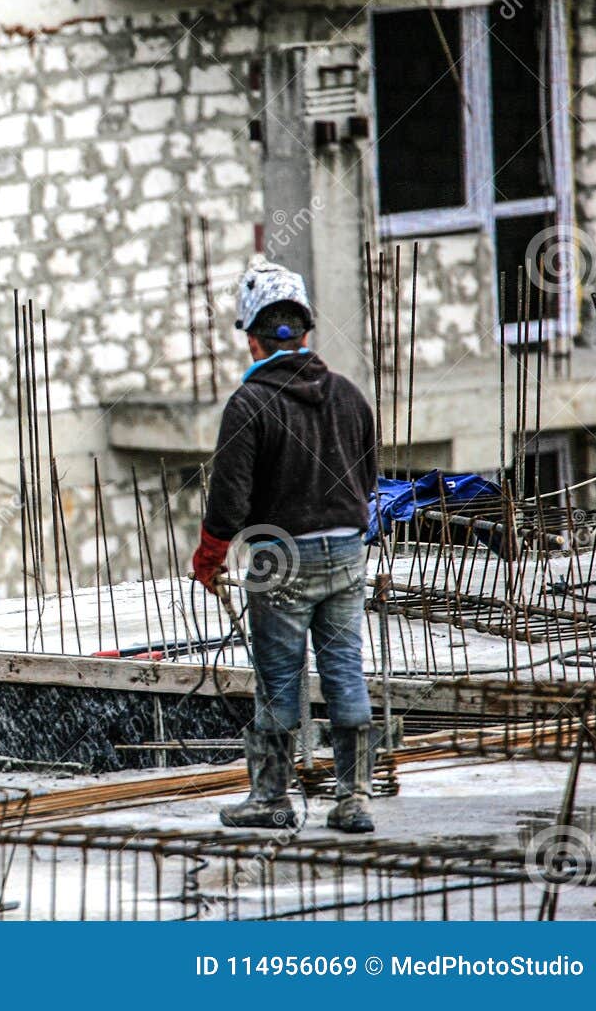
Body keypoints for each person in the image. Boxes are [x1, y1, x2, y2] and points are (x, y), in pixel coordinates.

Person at [191, 259, 380, 833]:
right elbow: (368, 477)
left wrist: (209, 555)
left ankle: (272, 798)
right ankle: (353, 798)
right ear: (303, 331)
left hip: (281, 558)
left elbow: (229, 499)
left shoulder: (250, 406)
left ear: (254, 338)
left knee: (278, 679)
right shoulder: (347, 395)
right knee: (345, 670)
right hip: (347, 551)